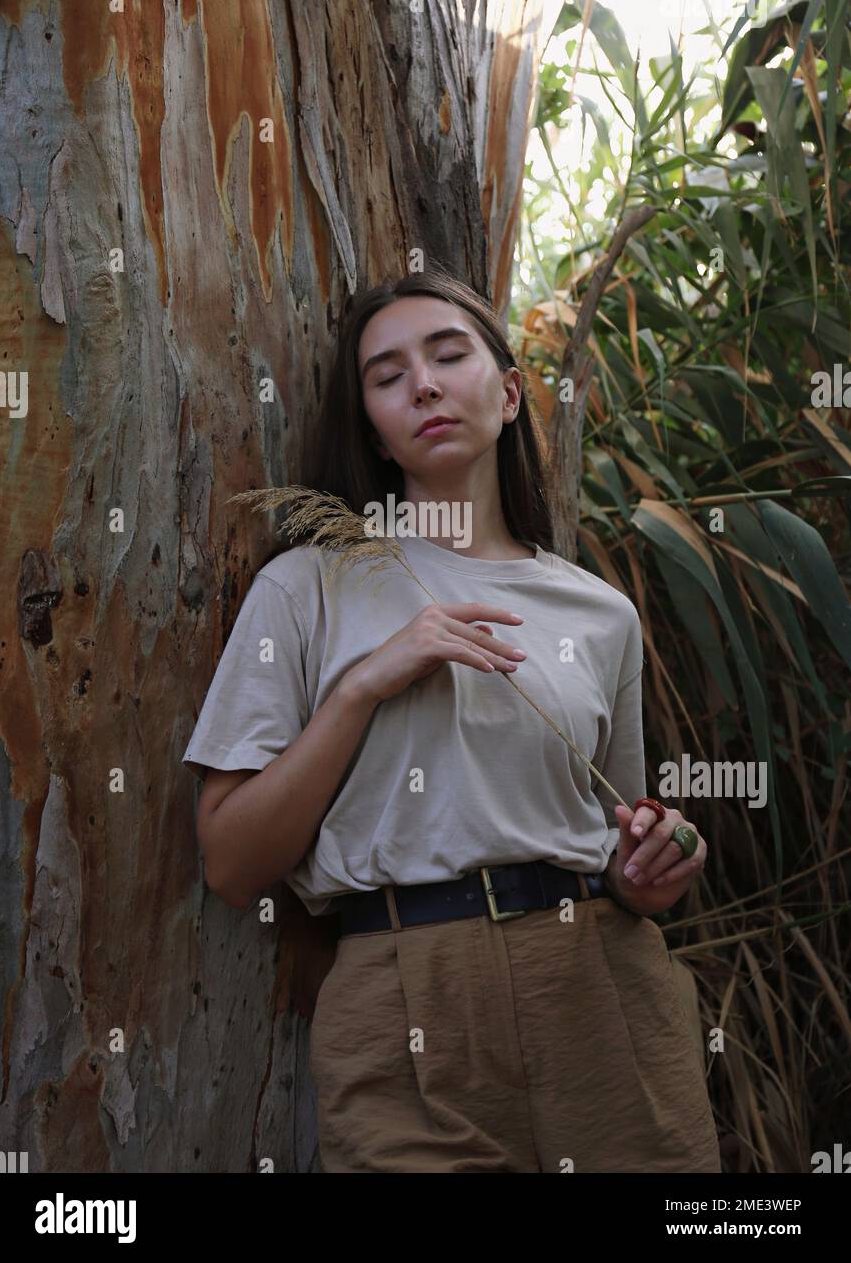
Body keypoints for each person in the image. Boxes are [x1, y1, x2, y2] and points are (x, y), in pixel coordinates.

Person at [181, 261, 722, 1173]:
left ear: (509, 393)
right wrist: (365, 685)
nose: (422, 384)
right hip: (400, 995)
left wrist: (652, 867)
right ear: (377, 432)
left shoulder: (599, 612)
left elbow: (621, 845)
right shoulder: (307, 587)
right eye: (387, 377)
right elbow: (233, 862)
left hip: (598, 986)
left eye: (446, 356)